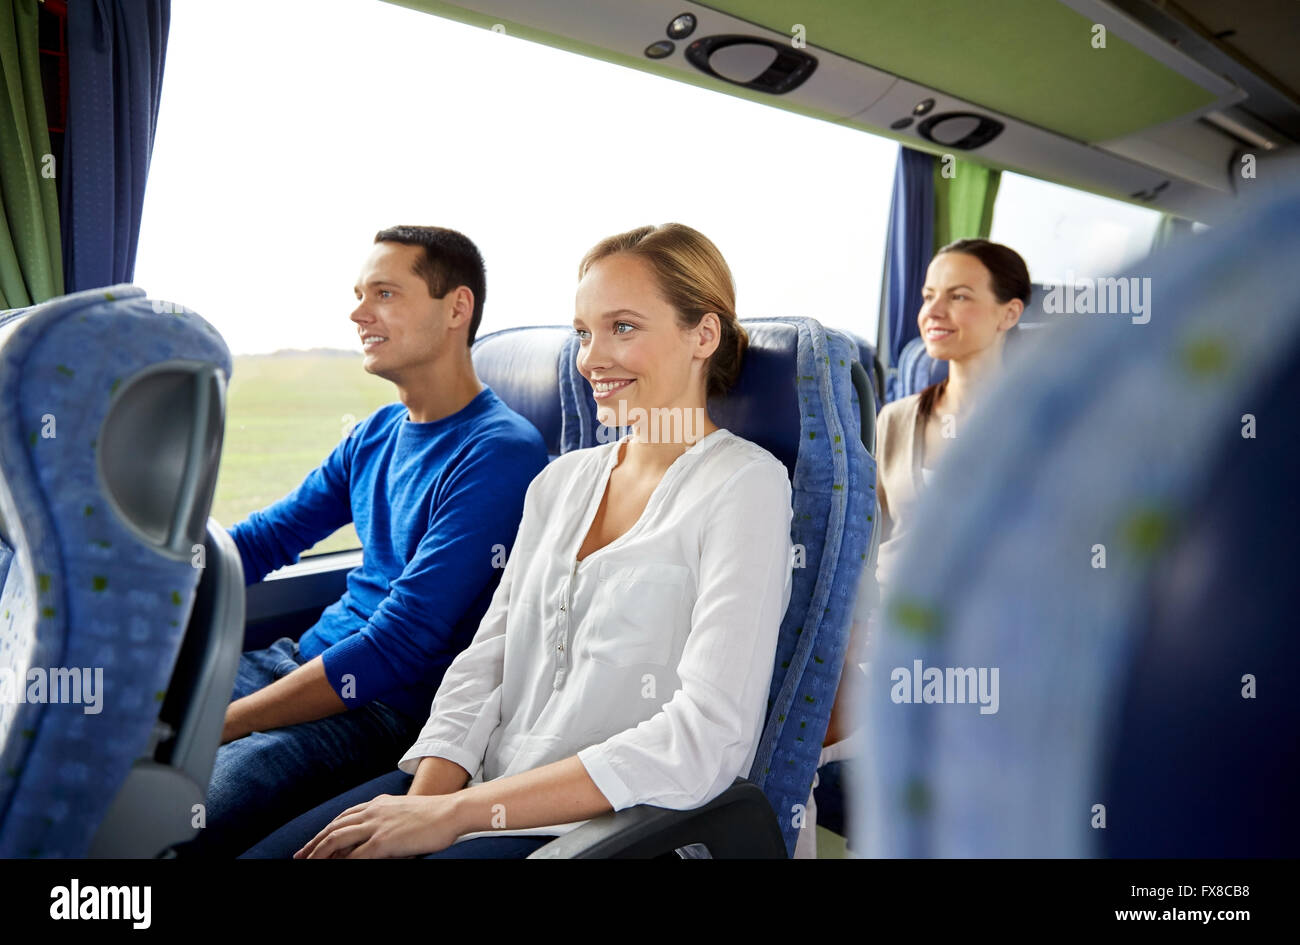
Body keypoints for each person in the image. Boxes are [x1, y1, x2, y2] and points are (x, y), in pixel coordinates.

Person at [242, 222, 795, 859]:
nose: (590, 358)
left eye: (623, 327)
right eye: (584, 333)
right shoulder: (560, 482)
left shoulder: (744, 487)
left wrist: (455, 817)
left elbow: (704, 738)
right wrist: (424, 807)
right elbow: (485, 665)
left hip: (598, 825)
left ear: (703, 335)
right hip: (472, 787)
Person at [177, 226, 549, 858]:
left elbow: (400, 646)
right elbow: (268, 539)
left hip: (380, 708)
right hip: (298, 662)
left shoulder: (499, 453)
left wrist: (220, 723)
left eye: (384, 292)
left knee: (171, 819)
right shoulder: (375, 433)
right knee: (93, 745)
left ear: (457, 308)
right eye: (358, 294)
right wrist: (144, 588)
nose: (358, 312)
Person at [796, 238, 1030, 858]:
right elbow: (863, 550)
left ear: (1010, 312)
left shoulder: (1046, 428)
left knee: (794, 730)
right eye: (929, 296)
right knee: (781, 719)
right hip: (891, 639)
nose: (934, 310)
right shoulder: (895, 418)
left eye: (959, 295)